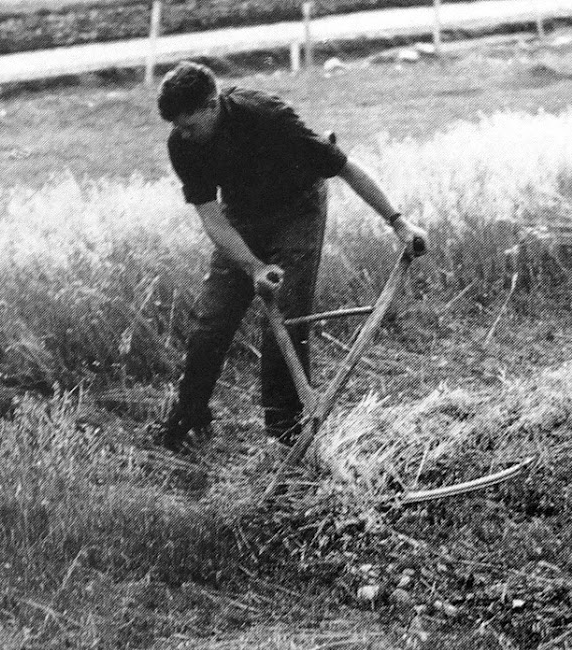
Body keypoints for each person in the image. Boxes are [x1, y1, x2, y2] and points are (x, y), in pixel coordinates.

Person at [155, 60, 429, 453]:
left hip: (298, 210)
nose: (183, 135)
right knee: (211, 323)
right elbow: (212, 219)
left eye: (190, 125)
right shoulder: (182, 144)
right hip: (241, 218)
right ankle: (189, 418)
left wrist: (399, 222)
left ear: (212, 105)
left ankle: (284, 432)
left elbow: (344, 167)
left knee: (286, 316)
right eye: (177, 127)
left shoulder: (267, 117)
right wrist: (253, 266)